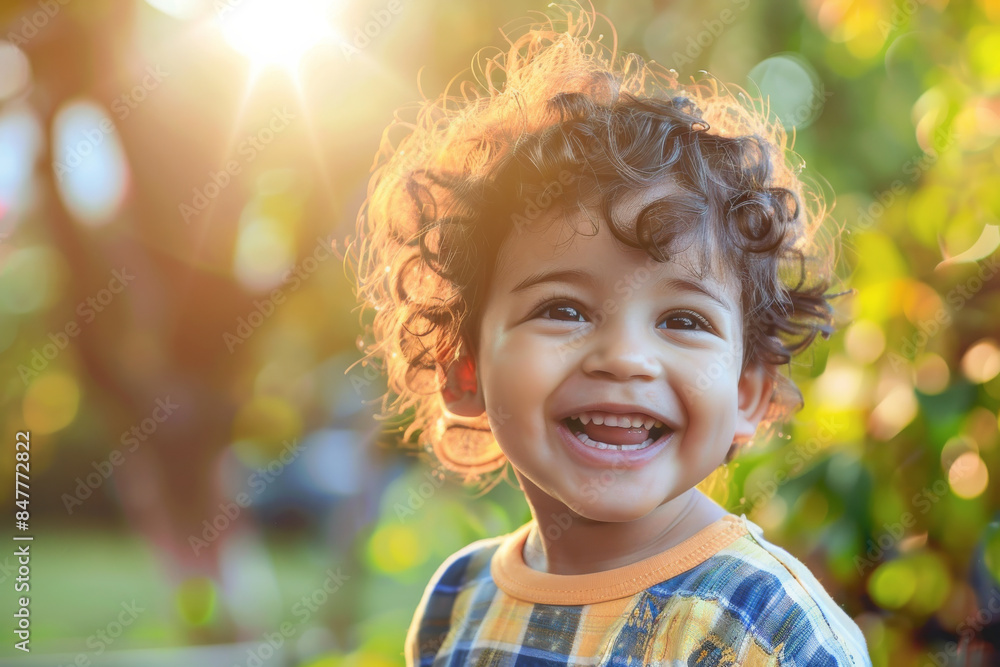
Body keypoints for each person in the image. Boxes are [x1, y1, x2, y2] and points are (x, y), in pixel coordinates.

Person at [347, 3, 873, 664]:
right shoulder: (458, 600)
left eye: (684, 320)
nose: (625, 357)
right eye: (563, 309)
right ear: (466, 370)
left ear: (746, 392)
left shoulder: (762, 626)